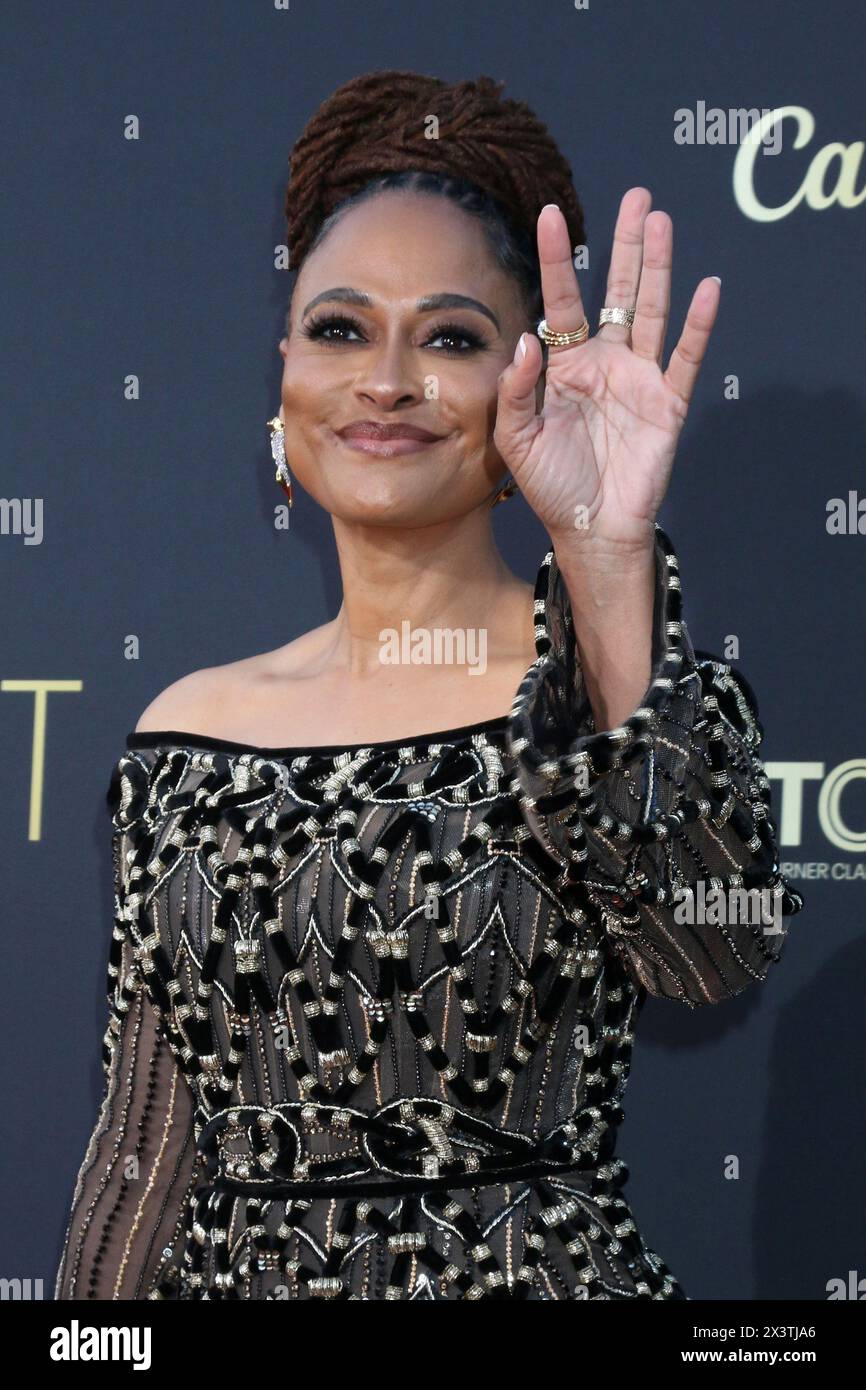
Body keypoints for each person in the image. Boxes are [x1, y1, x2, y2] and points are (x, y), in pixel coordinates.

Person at [54, 69, 803, 1301]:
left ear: (530, 386)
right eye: (339, 328)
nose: (385, 380)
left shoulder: (610, 692)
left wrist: (605, 556)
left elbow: (705, 956)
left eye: (449, 337)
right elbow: (141, 1161)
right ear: (283, 372)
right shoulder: (183, 734)